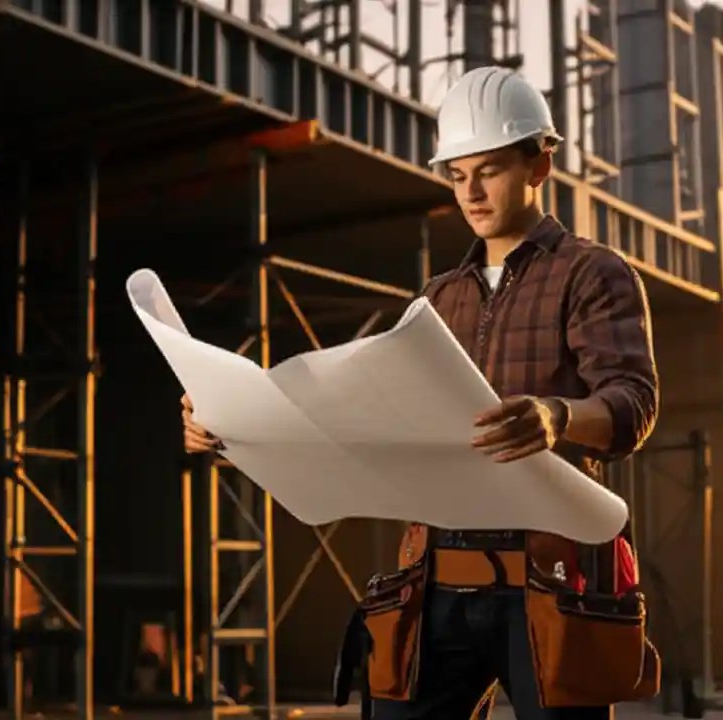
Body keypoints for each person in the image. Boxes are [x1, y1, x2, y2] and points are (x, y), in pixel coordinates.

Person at [183, 65, 660, 719]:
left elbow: (631, 404)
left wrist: (556, 416)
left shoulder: (591, 273)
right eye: (457, 175)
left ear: (539, 165)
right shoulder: (438, 299)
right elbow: (366, 430)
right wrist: (231, 429)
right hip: (434, 578)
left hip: (549, 579)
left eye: (488, 170)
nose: (472, 192)